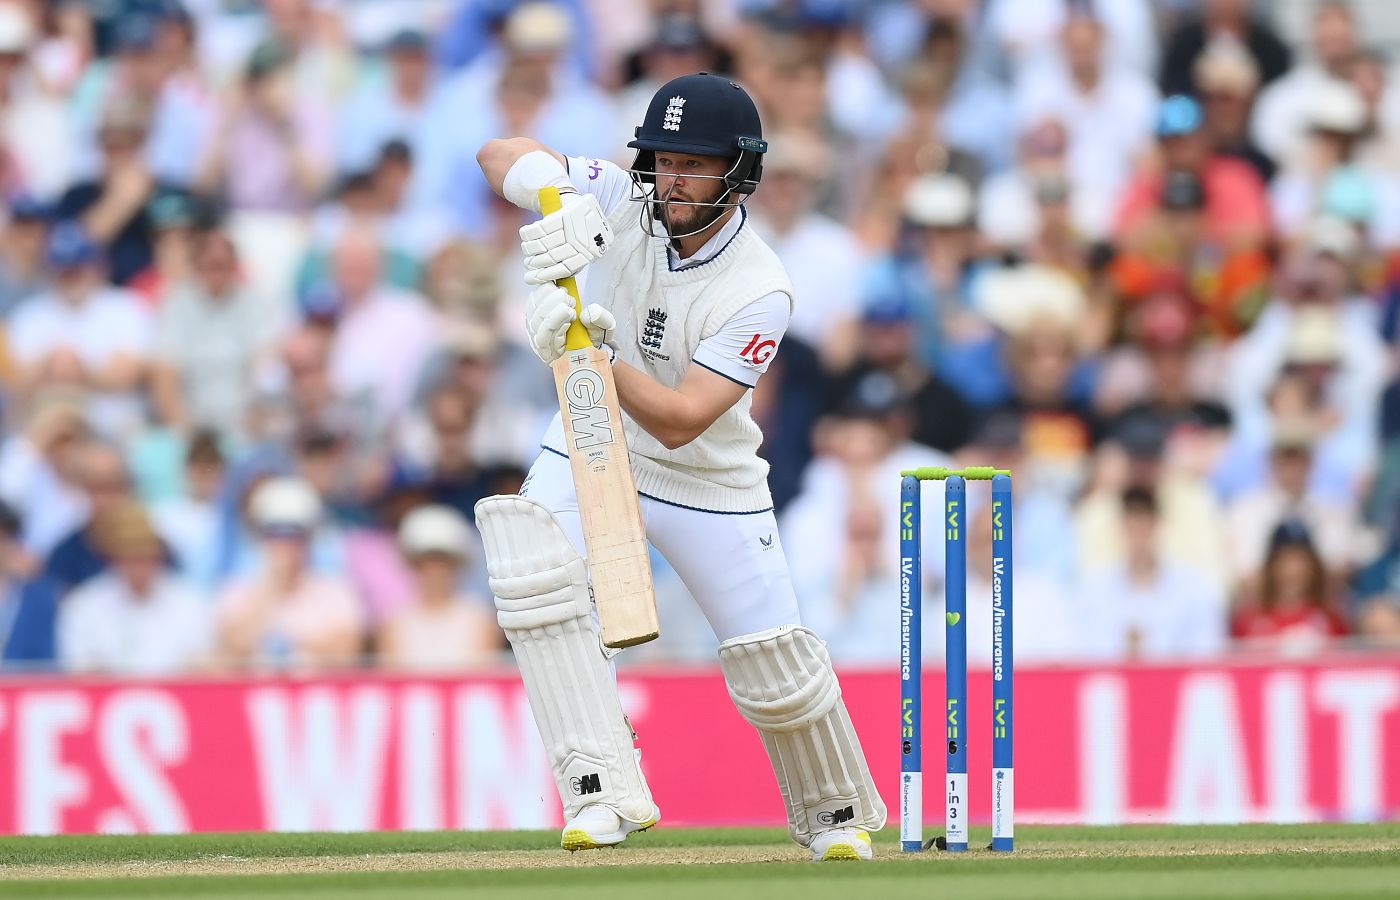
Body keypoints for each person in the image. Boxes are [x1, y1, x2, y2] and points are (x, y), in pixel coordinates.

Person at [474, 73, 884, 860]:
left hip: (707, 479)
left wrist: (584, 352)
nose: (674, 178)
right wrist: (554, 192)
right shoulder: (625, 198)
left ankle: (835, 813)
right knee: (535, 574)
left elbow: (681, 418)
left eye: (695, 164)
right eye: (664, 160)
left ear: (741, 171)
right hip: (595, 436)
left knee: (775, 666)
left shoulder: (762, 286)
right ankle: (602, 790)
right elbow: (499, 152)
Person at [377, 504, 501, 670]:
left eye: (442, 562)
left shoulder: (480, 618)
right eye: (425, 562)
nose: (434, 571)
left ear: (456, 565)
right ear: (414, 565)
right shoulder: (394, 620)